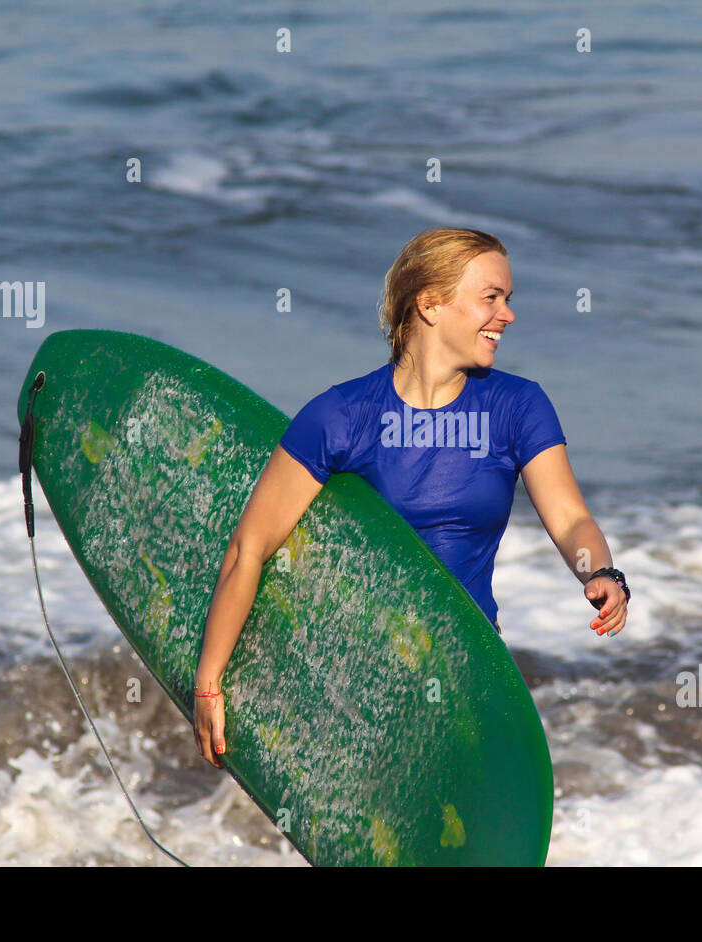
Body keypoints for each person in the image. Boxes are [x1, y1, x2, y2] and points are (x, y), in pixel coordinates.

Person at [192, 227, 629, 767]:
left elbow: (570, 521)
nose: (507, 315)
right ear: (430, 305)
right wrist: (210, 681)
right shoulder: (342, 416)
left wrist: (599, 573)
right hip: (358, 681)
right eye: (490, 298)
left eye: (508, 300)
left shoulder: (518, 406)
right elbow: (250, 549)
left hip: (467, 669)